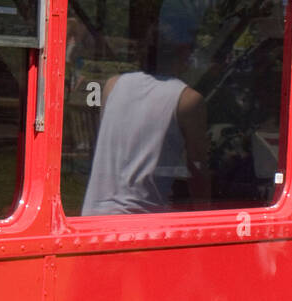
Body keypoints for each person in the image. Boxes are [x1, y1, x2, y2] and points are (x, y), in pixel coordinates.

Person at [81, 18, 209, 215]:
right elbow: (198, 170)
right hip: (140, 225)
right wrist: (206, 217)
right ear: (184, 52)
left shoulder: (112, 85)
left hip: (92, 217)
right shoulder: (188, 100)